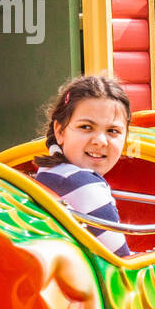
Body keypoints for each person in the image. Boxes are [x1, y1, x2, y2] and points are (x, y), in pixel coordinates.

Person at [33, 74, 133, 257]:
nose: (100, 141)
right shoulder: (82, 184)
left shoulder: (50, 173)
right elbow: (124, 267)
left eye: (113, 131)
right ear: (60, 131)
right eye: (86, 127)